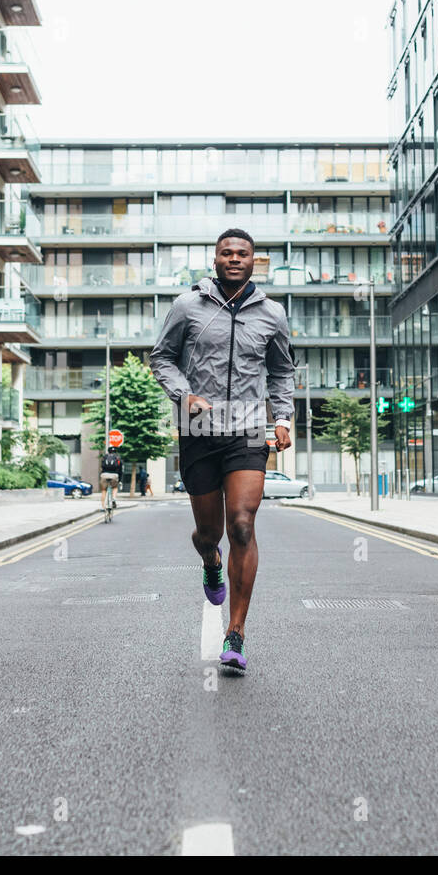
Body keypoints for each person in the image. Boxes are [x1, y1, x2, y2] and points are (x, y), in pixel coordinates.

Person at [150, 228, 294, 676]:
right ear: (214, 260)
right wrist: (184, 395)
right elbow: (161, 358)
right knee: (208, 534)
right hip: (197, 427)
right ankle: (211, 561)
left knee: (244, 525)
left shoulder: (272, 314)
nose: (234, 259)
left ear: (255, 261)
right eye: (226, 253)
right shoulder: (187, 306)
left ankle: (236, 633)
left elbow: (282, 371)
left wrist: (283, 418)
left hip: (249, 429)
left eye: (243, 253)